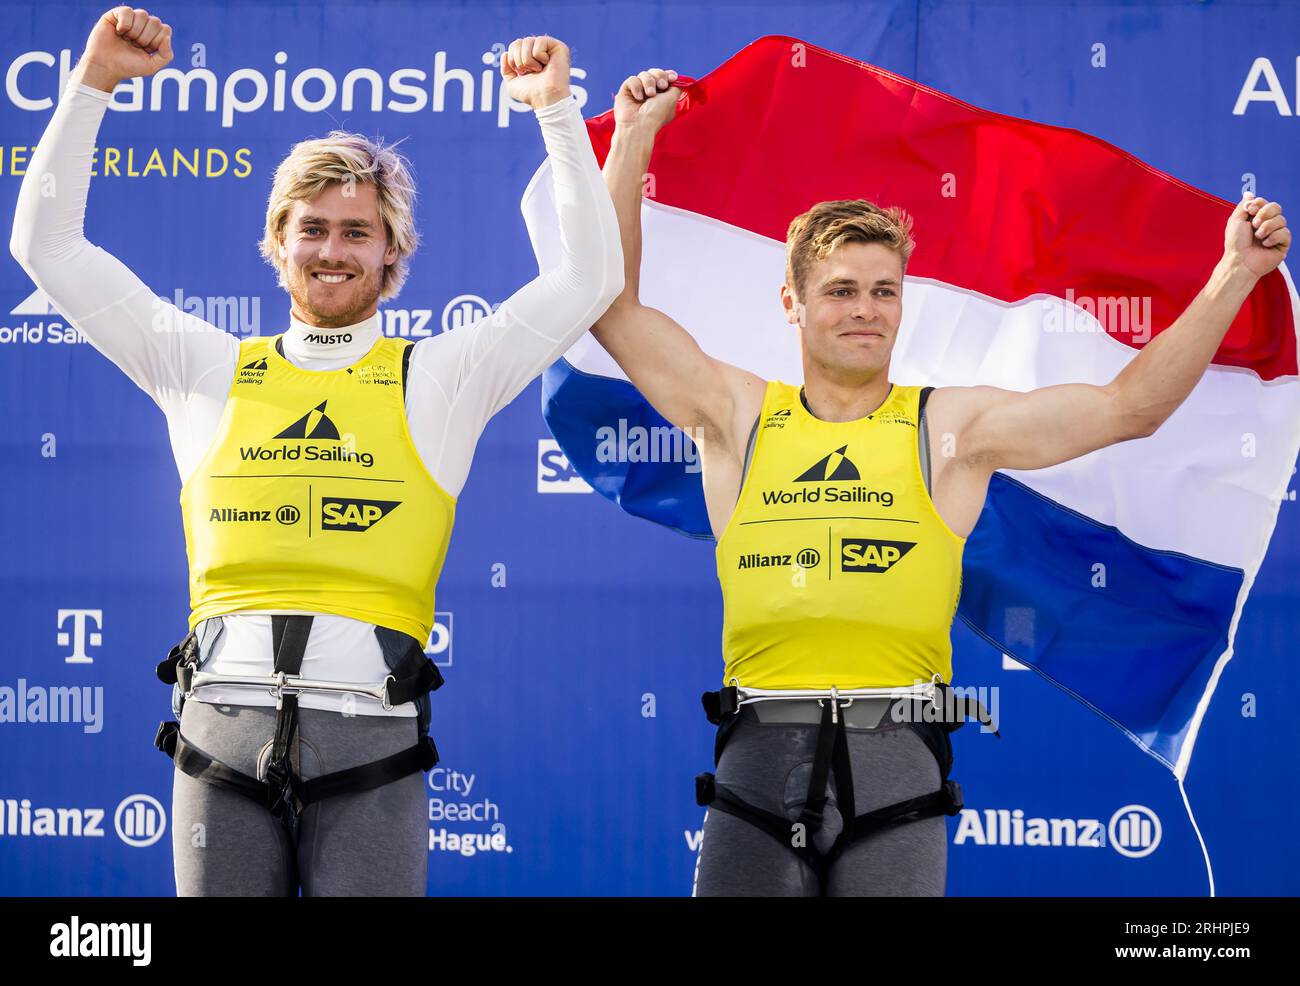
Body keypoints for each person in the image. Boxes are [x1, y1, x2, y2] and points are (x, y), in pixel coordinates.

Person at [590, 67, 1290, 896]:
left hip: (900, 754)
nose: (866, 310)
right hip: (759, 748)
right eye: (841, 290)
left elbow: (1128, 408)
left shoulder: (946, 429)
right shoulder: (737, 414)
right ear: (791, 302)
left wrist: (1233, 276)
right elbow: (613, 310)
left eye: (884, 291)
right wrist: (633, 139)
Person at [9, 6, 622, 896]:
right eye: (312, 229)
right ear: (278, 244)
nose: (332, 251)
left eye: (356, 232)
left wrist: (556, 113)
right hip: (218, 739)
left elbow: (590, 280)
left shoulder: (440, 375)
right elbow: (46, 247)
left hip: (371, 745)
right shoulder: (204, 365)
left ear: (392, 254)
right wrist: (92, 83)